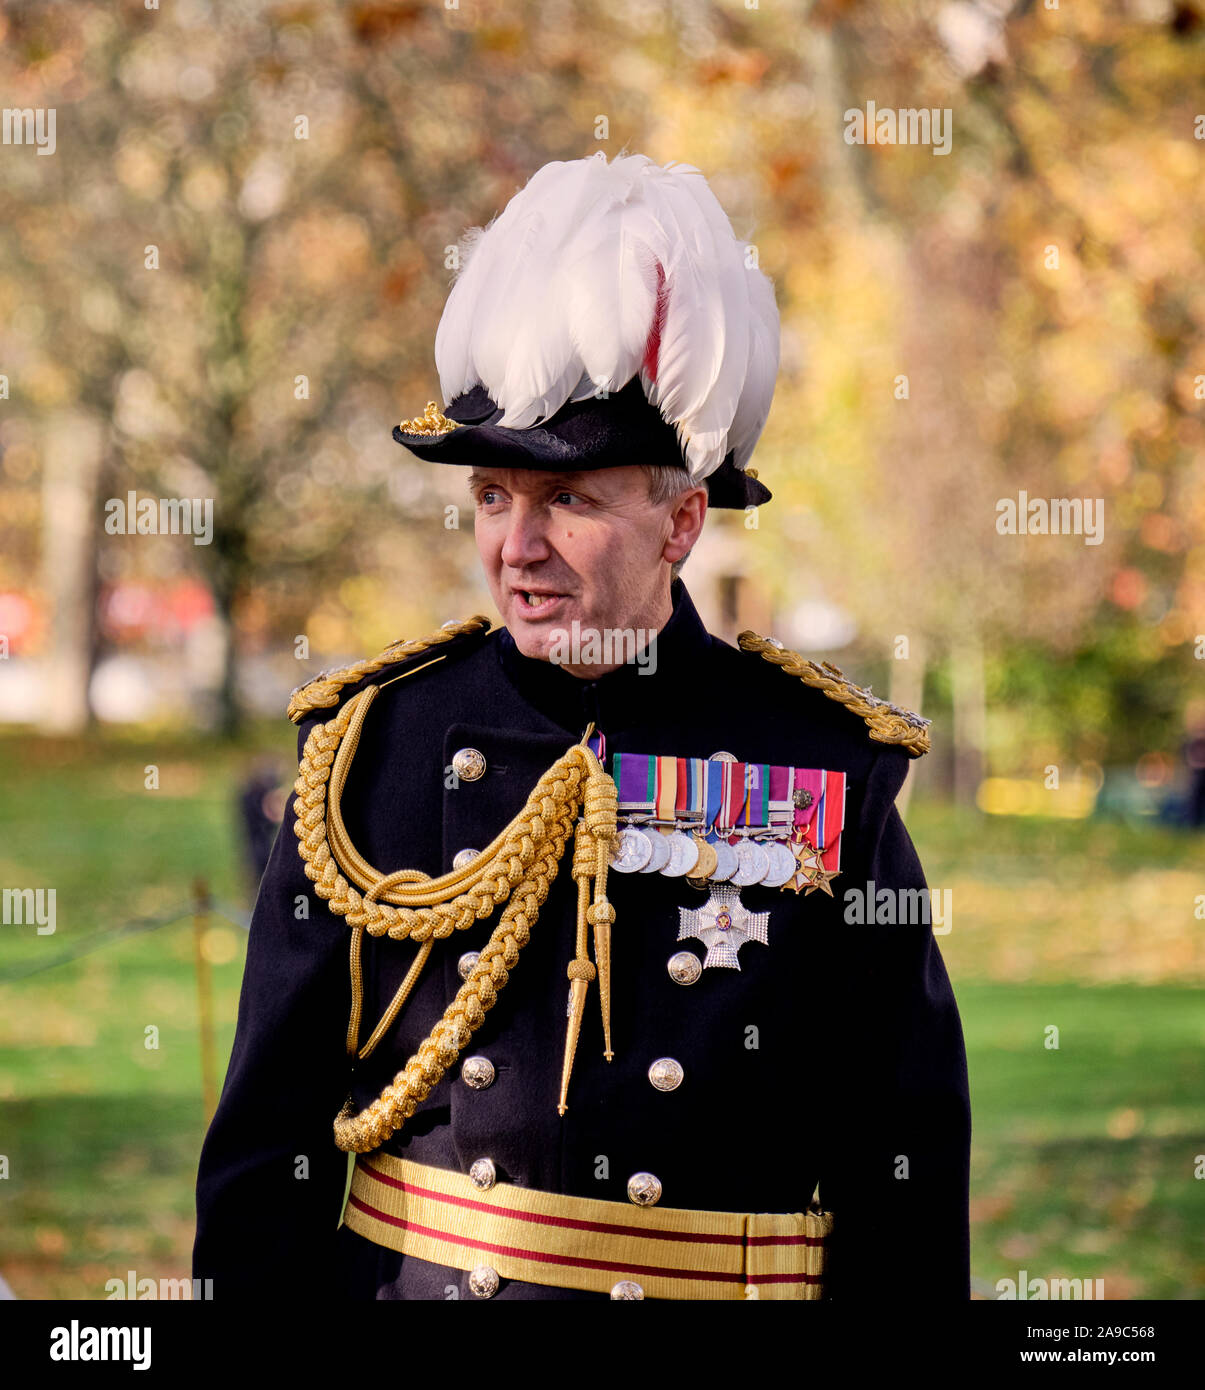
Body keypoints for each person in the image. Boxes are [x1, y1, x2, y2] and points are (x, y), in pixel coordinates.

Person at [193, 151, 970, 1301]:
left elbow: (900, 1170)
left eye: (569, 499)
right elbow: (269, 1151)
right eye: (493, 497)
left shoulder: (820, 766)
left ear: (682, 519)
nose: (517, 544)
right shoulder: (373, 749)